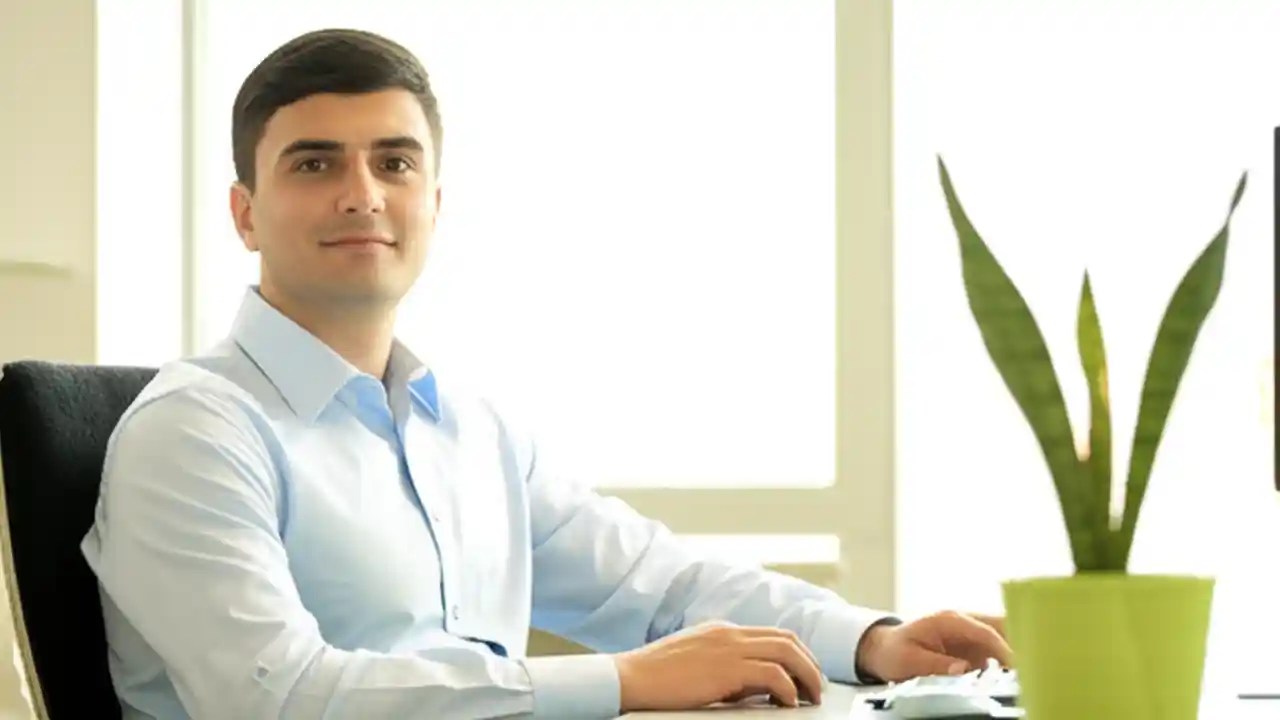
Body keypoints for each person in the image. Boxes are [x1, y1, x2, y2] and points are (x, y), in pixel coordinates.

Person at [81, 28, 1012, 720]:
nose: (362, 192)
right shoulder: (195, 431)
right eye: (315, 162)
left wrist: (872, 641)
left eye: (394, 162)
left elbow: (659, 587)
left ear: (433, 205)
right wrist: (621, 684)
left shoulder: (469, 431)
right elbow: (280, 698)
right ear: (246, 213)